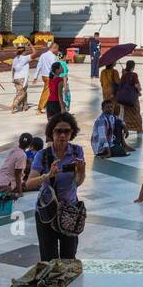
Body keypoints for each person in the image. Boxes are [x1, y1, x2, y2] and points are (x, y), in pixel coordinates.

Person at [25, 112, 88, 261]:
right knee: (48, 258)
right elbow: (29, 183)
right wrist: (47, 175)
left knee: (69, 257)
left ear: (72, 132)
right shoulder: (43, 155)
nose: (62, 135)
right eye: (58, 131)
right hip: (46, 212)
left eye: (66, 131)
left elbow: (77, 182)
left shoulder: (76, 151)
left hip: (69, 211)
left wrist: (82, 172)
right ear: (51, 132)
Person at [118, 60, 143, 134]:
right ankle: (138, 129)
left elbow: (121, 85)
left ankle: (127, 127)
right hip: (133, 97)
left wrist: (123, 74)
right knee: (136, 112)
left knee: (127, 114)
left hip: (125, 97)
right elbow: (136, 85)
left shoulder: (123, 75)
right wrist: (139, 91)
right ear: (133, 67)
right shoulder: (134, 75)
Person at [34, 42, 59, 114]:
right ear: (54, 48)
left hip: (44, 76)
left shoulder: (43, 55)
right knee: (46, 92)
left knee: (51, 92)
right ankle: (39, 108)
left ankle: (47, 106)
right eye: (57, 49)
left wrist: (35, 76)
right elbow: (54, 67)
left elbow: (39, 65)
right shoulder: (52, 57)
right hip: (49, 77)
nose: (57, 51)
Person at [10, 43, 32, 113]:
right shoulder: (25, 58)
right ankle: (14, 105)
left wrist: (13, 78)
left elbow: (13, 69)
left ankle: (24, 106)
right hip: (22, 78)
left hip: (16, 78)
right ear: (24, 51)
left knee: (22, 92)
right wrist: (31, 44)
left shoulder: (15, 58)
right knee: (21, 93)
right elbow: (35, 53)